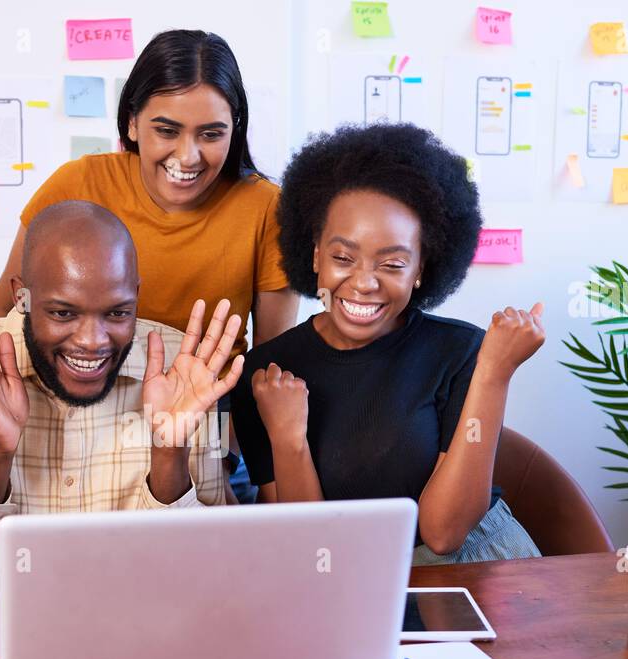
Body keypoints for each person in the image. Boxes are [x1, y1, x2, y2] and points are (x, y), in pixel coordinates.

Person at [0, 29, 297, 501]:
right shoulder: (76, 184)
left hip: (199, 431)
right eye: (167, 131)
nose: (187, 156)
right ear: (131, 123)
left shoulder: (267, 209)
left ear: (235, 128)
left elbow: (268, 369)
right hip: (78, 436)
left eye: (211, 134)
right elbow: (0, 325)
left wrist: (217, 450)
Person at [231, 123, 543, 563]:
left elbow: (444, 534)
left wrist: (494, 373)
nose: (364, 283)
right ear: (315, 254)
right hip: (342, 572)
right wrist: (288, 439)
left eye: (392, 264)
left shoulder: (461, 352)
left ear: (420, 270)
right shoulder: (267, 373)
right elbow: (311, 547)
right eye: (343, 258)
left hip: (474, 563)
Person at [0, 201, 241, 597]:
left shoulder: (185, 372)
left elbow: (203, 577)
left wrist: (168, 452)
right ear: (22, 297)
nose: (93, 342)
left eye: (117, 313)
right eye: (63, 314)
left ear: (135, 296)